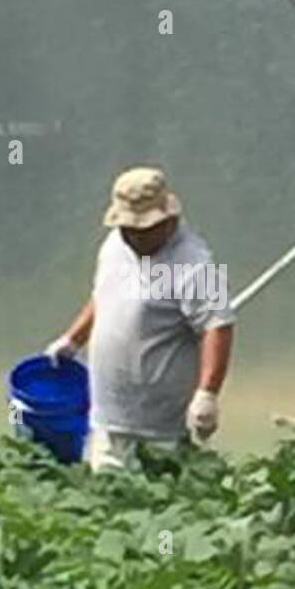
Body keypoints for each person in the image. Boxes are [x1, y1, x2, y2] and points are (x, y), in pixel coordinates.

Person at [45, 167, 235, 470]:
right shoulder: (114, 245)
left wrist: (207, 395)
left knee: (157, 507)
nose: (133, 236)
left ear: (166, 220)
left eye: (142, 230)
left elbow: (217, 326)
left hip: (160, 430)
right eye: (127, 228)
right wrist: (72, 339)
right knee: (102, 507)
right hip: (107, 420)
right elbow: (104, 296)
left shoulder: (195, 264)